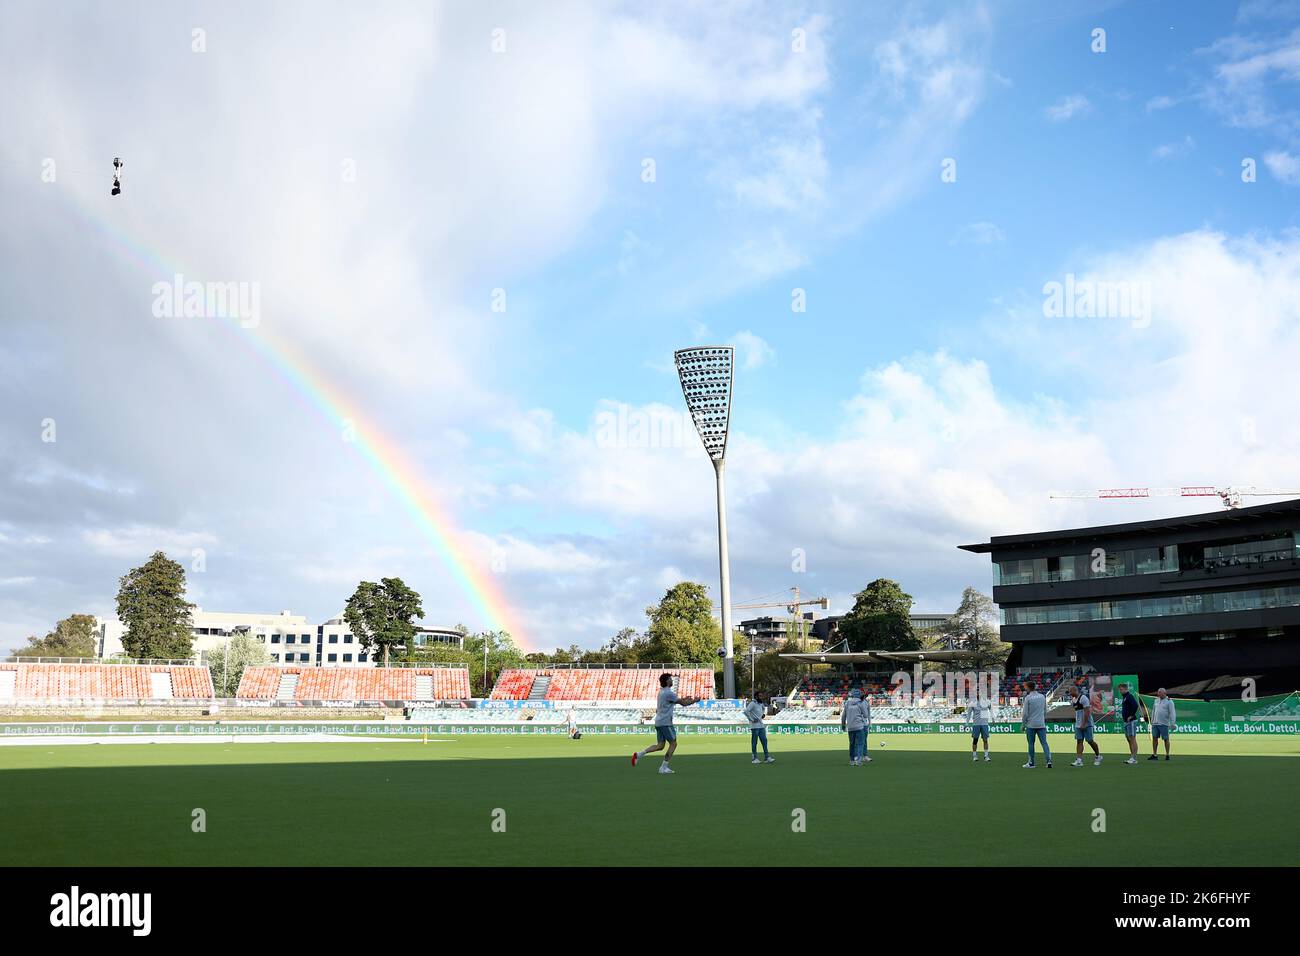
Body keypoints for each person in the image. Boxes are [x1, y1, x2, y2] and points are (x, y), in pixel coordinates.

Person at [631, 673, 699, 774]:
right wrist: (694, 701)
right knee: (673, 744)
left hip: (659, 721)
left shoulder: (662, 692)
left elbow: (675, 701)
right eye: (670, 679)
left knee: (660, 745)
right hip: (666, 722)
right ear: (667, 681)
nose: (672, 680)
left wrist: (684, 698)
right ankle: (663, 767)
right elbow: (683, 704)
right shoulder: (669, 693)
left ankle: (639, 754)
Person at [1070, 681, 1102, 767]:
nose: (1070, 693)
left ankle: (1098, 756)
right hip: (1078, 724)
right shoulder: (1073, 700)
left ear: (1075, 691)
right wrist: (1078, 723)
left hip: (1087, 724)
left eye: (1071, 692)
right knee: (1079, 741)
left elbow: (1087, 712)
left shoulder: (1083, 698)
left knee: (1090, 741)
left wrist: (1084, 724)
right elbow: (1077, 712)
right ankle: (1079, 760)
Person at [1021, 680, 1052, 768]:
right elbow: (1045, 710)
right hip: (1041, 724)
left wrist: (1023, 724)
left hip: (1031, 724)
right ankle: (1049, 761)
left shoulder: (1028, 698)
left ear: (1028, 687)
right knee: (1044, 743)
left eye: (1025, 686)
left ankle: (1031, 763)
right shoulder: (1042, 696)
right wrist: (1042, 719)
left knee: (1031, 744)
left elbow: (1025, 714)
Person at [1118, 682, 1149, 764]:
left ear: (1125, 689)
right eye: (1119, 690)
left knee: (1132, 738)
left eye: (1121, 689)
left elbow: (1135, 705)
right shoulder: (1125, 697)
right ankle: (1132, 757)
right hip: (1126, 721)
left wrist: (1131, 715)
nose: (1120, 691)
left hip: (1131, 721)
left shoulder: (1129, 696)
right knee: (1128, 739)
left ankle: (1134, 758)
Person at [743, 692, 774, 764]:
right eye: (760, 696)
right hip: (754, 726)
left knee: (764, 741)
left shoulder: (760, 703)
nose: (761, 697)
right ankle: (754, 758)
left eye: (761, 695)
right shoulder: (753, 703)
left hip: (761, 725)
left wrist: (762, 715)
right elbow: (746, 711)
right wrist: (751, 719)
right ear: (756, 696)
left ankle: (767, 757)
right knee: (754, 742)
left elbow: (763, 709)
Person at [840, 689, 869, 766]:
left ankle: (852, 760)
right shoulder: (861, 703)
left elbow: (843, 716)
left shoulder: (847, 703)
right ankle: (859, 760)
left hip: (850, 727)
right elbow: (866, 715)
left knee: (852, 744)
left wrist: (843, 725)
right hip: (859, 727)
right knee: (860, 744)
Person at [1149, 688, 1176, 761]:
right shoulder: (1156, 700)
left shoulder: (1169, 701)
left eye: (1160, 693)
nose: (1158, 694)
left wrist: (1173, 723)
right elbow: (1154, 711)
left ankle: (1167, 755)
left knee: (1166, 739)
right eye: (1158, 692)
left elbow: (1172, 713)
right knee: (1154, 739)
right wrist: (1152, 721)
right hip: (1155, 723)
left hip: (1164, 723)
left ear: (1164, 693)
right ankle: (1155, 754)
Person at [967, 694, 993, 762]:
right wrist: (967, 722)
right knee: (975, 740)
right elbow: (969, 713)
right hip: (976, 724)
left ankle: (986, 756)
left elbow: (991, 709)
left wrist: (993, 718)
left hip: (984, 724)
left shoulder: (987, 702)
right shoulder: (972, 703)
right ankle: (975, 756)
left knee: (985, 740)